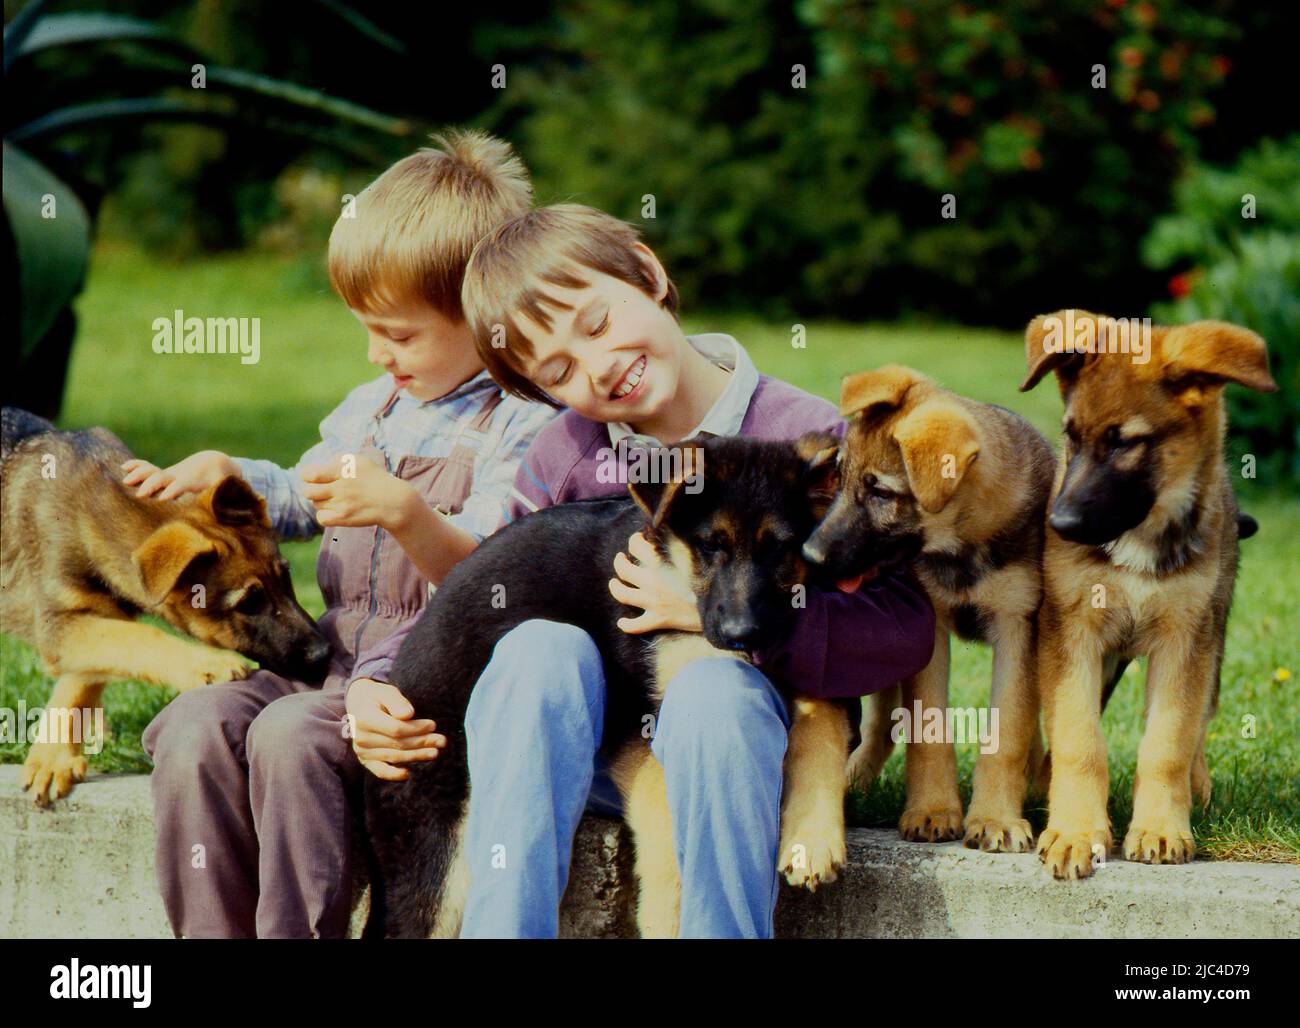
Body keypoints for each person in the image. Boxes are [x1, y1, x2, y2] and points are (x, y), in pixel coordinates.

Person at [370, 203, 936, 938]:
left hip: (732, 755)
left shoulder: (816, 444)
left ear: (648, 274)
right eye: (560, 370)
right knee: (536, 652)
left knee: (712, 690)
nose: (598, 365)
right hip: (592, 755)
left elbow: (902, 627)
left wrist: (723, 617)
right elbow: (486, 588)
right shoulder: (564, 455)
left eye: (597, 323)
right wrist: (378, 678)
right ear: (544, 393)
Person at [124, 131, 556, 938]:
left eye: (398, 334)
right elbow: (303, 494)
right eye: (365, 329)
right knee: (196, 724)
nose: (375, 353)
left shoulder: (524, 425)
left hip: (425, 692)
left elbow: (495, 573)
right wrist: (232, 478)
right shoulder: (374, 409)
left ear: (484, 315)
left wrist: (406, 511)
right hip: (334, 661)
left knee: (286, 736)